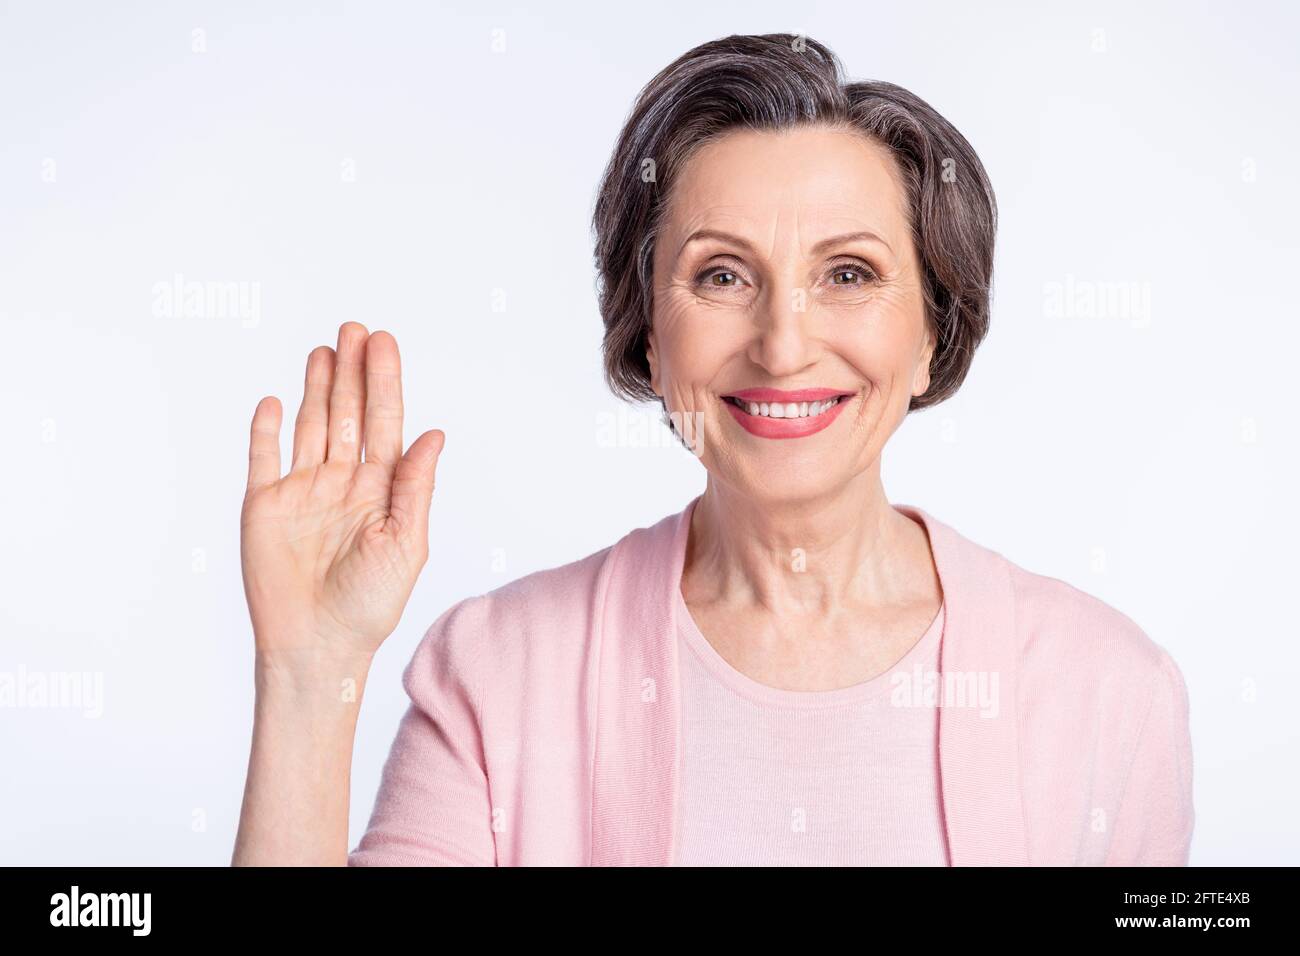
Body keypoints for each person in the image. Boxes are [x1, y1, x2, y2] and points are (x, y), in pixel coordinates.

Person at [232, 33, 1193, 867]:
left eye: (850, 273)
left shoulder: (1110, 690)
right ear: (649, 331)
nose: (782, 345)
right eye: (722, 274)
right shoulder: (499, 673)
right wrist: (310, 676)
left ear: (932, 332)